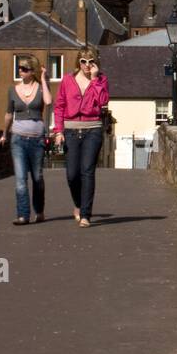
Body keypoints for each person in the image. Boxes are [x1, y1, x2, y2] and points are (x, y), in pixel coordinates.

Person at [53, 47, 109, 227]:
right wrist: (58, 131)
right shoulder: (68, 80)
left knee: (87, 171)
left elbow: (102, 101)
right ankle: (78, 203)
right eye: (83, 61)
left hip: (93, 128)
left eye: (90, 61)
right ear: (78, 62)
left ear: (95, 63)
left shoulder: (101, 80)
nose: (86, 65)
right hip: (70, 130)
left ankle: (86, 214)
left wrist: (94, 80)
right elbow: (59, 106)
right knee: (72, 175)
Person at [0, 56, 52, 226]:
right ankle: (23, 215)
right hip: (18, 139)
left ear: (32, 71)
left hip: (37, 140)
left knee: (37, 178)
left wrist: (43, 79)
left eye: (24, 68)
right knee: (21, 179)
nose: (20, 71)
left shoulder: (41, 88)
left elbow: (48, 102)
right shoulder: (13, 90)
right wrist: (4, 134)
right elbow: (9, 114)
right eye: (20, 68)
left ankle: (40, 211)